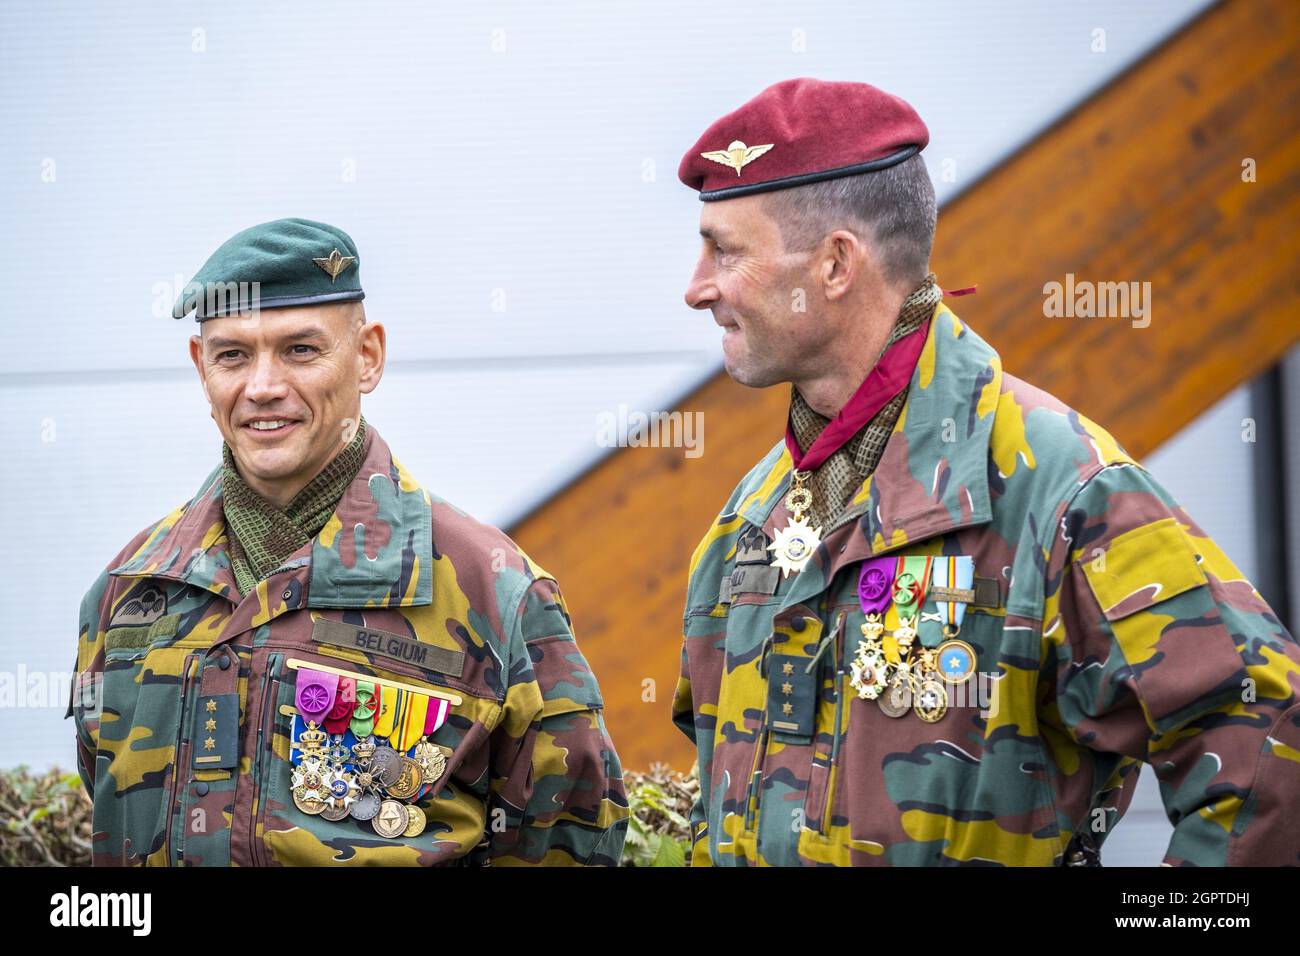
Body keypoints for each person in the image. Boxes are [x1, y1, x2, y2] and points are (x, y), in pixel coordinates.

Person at [669, 78, 1300, 866]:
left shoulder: (1061, 490)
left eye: (724, 250)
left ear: (835, 265)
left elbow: (1267, 752)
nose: (697, 288)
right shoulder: (750, 522)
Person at [68, 218, 627, 866]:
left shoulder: (491, 590)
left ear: (367, 357)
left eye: (301, 350)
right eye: (232, 355)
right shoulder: (132, 590)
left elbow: (570, 840)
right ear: (201, 367)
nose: (263, 386)